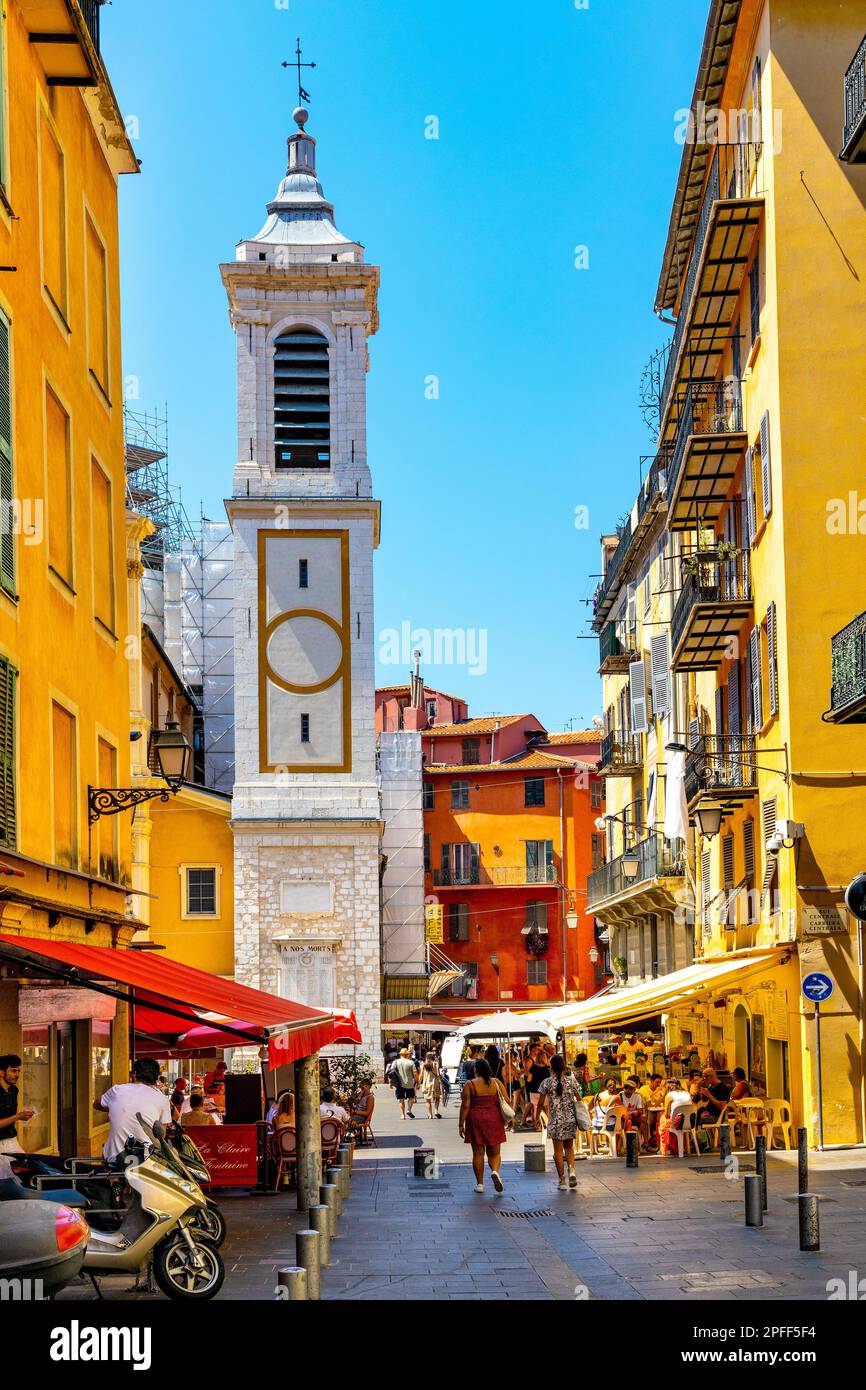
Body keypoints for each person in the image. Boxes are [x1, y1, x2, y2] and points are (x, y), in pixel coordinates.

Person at [99, 1057, 172, 1162]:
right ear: (156, 1077)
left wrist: (115, 1108)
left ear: (134, 1074)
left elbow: (97, 1104)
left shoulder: (117, 1090)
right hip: (146, 1160)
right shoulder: (163, 1099)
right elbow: (161, 1135)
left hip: (113, 1157)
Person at [458, 1056, 510, 1194]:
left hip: (476, 1119)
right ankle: (495, 1171)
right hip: (494, 1118)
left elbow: (465, 1106)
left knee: (478, 1153)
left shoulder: (470, 1084)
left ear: (476, 1070)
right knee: (495, 1152)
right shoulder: (496, 1082)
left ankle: (480, 1184)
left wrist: (460, 1124)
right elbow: (507, 1100)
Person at [539, 1054, 582, 1190]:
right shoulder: (571, 1081)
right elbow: (579, 1099)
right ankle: (572, 1172)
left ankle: (562, 1180)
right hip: (570, 1119)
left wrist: (536, 1117)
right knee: (569, 1148)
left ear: (550, 1067)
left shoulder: (546, 1082)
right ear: (564, 1067)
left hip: (555, 1120)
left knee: (558, 1151)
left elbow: (540, 1103)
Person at [0, 1055, 34, 1155]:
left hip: (12, 1139)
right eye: (13, 1071)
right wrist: (18, 1116)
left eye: (18, 1071)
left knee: (25, 1165)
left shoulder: (14, 1090)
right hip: (1, 1142)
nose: (17, 1074)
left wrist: (23, 1116)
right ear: (2, 1073)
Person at [657, 1078, 693, 1156]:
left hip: (678, 1121)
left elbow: (666, 1114)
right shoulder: (687, 1093)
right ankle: (678, 1147)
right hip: (690, 1122)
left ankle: (665, 1148)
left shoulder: (669, 1095)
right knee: (666, 1121)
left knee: (662, 1119)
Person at [524, 1044, 550, 1131]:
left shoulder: (533, 1067)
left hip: (534, 1090)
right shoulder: (548, 1068)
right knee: (547, 1107)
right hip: (545, 1091)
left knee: (535, 1107)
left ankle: (537, 1126)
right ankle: (549, 1125)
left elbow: (528, 1079)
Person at [392, 1048, 420, 1120]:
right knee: (411, 1097)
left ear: (400, 1054)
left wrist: (391, 1083)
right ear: (407, 1055)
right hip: (409, 1083)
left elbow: (391, 1072)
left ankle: (402, 1115)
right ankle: (409, 1110)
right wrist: (418, 1082)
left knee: (401, 1099)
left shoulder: (395, 1062)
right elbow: (415, 1073)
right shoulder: (411, 1062)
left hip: (399, 1083)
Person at [419, 1051, 443, 1119]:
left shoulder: (423, 1064)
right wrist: (441, 1082)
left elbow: (421, 1075)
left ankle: (430, 1115)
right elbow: (438, 1074)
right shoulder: (435, 1063)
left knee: (428, 1100)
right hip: (435, 1082)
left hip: (426, 1083)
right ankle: (436, 1111)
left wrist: (418, 1083)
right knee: (437, 1098)